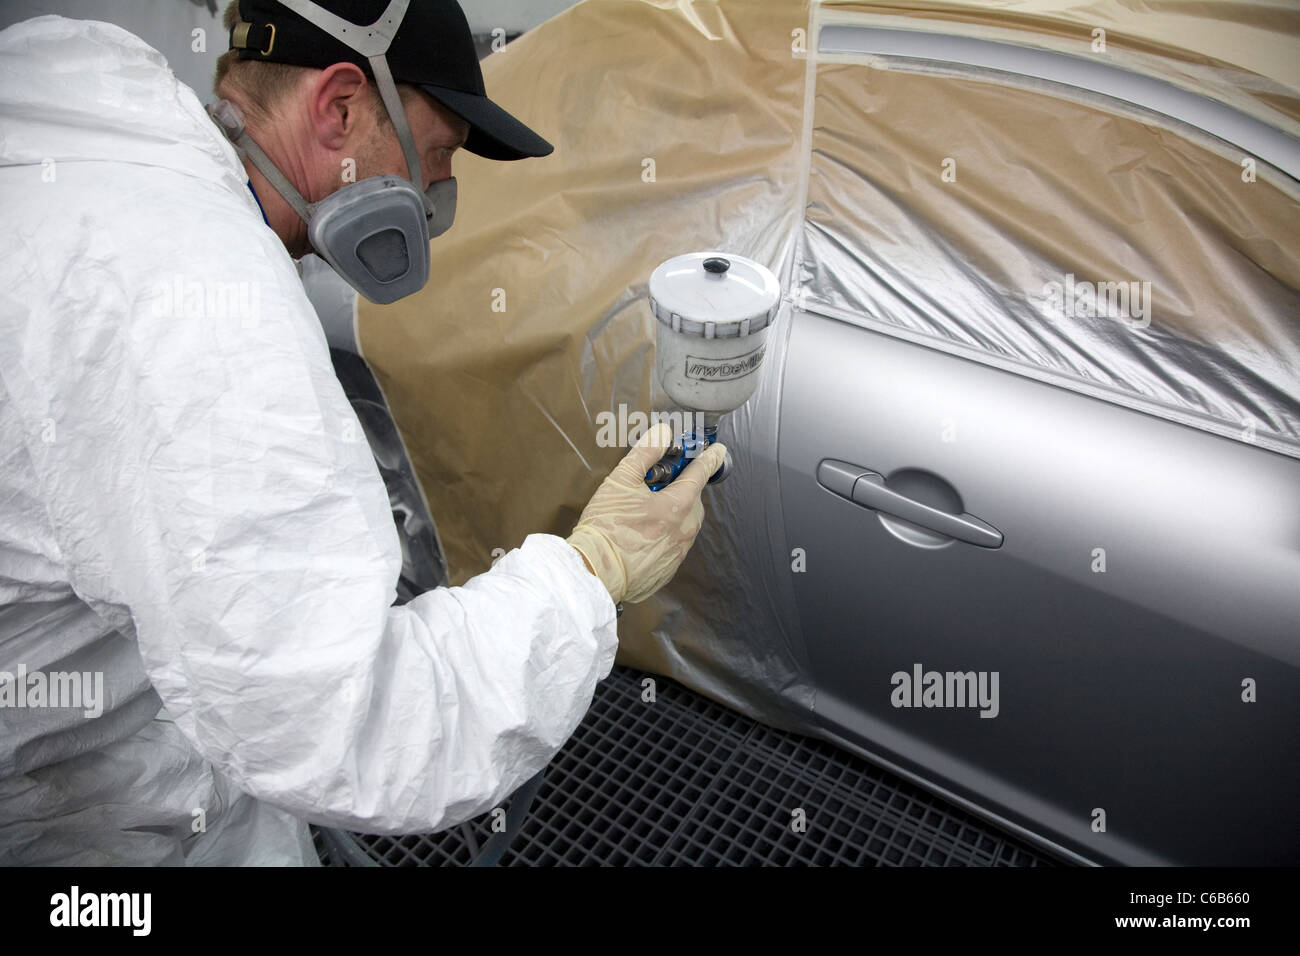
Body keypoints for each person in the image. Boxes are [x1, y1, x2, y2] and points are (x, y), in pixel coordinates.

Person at [0, 0, 725, 865]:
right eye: (439, 154)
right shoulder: (199, 313)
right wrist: (593, 569)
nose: (435, 199)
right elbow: (350, 726)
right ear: (339, 107)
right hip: (77, 823)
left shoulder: (79, 140)